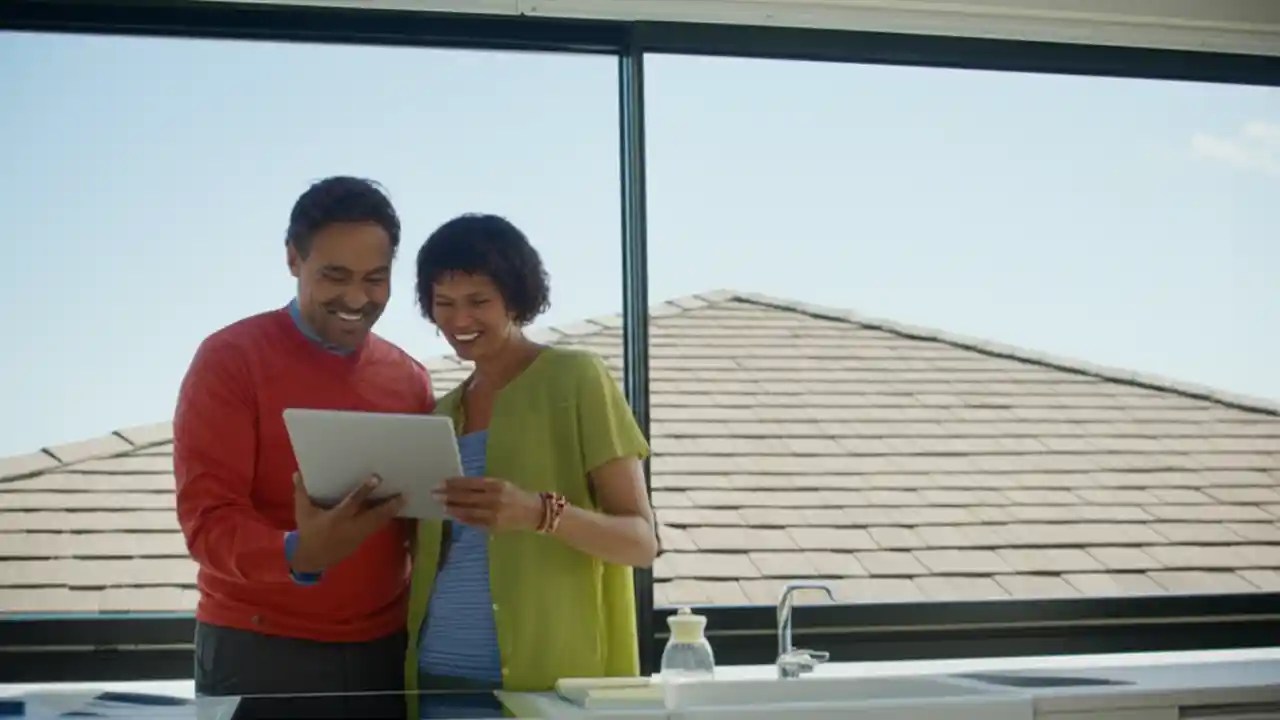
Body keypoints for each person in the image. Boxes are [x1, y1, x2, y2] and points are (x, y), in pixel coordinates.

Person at [172, 176, 435, 719]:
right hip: (258, 652)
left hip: (383, 654)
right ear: (293, 258)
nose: (357, 298)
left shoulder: (410, 380)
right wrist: (298, 554)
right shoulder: (229, 361)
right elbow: (208, 521)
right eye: (334, 276)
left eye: (375, 279)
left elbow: (420, 525)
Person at [402, 214, 659, 719]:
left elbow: (641, 543)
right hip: (435, 683)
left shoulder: (575, 379)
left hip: (548, 693)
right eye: (444, 303)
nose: (459, 320)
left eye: (479, 301)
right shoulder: (441, 414)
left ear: (516, 299)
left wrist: (540, 513)